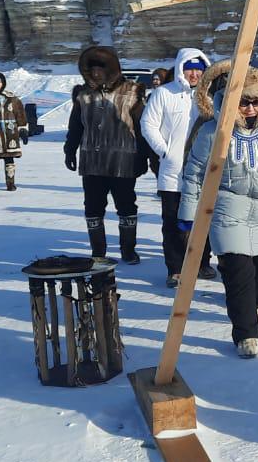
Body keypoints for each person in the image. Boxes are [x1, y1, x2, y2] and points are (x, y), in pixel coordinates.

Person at [178, 61, 258, 358]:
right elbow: (194, 173)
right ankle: (246, 333)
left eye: (256, 102)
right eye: (244, 101)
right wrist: (187, 213)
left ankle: (254, 305)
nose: (250, 108)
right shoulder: (213, 131)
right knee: (237, 274)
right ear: (231, 100)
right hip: (228, 213)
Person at [64, 46, 147, 265]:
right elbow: (75, 127)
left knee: (127, 206)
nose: (96, 72)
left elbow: (141, 127)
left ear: (111, 68)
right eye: (91, 68)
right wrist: (69, 149)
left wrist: (143, 156)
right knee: (92, 207)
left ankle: (128, 250)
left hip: (123, 160)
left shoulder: (133, 91)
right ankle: (98, 251)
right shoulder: (82, 95)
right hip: (92, 162)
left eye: (100, 67)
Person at [141, 48, 216, 287]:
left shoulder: (211, 96)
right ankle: (175, 268)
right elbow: (148, 124)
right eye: (189, 68)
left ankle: (202, 263)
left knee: (202, 220)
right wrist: (165, 151)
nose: (194, 74)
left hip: (204, 172)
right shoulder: (164, 93)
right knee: (172, 222)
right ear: (181, 69)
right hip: (173, 173)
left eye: (198, 69)